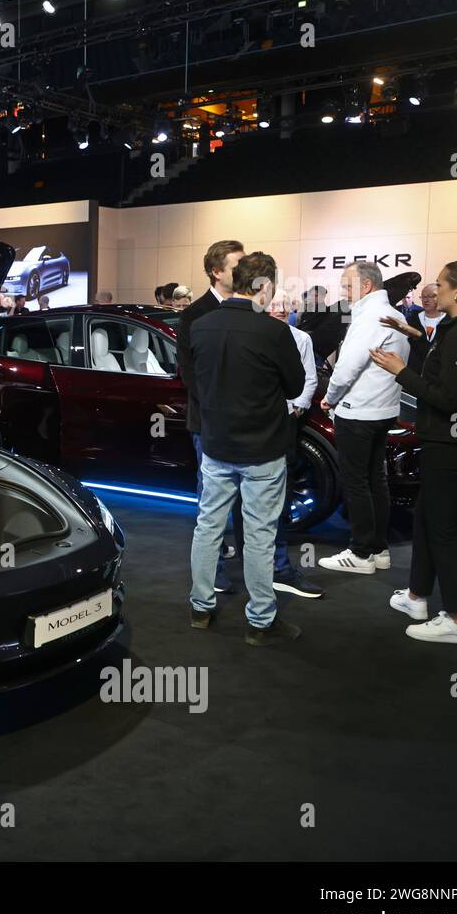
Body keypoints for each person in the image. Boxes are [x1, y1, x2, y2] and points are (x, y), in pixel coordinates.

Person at [371, 260, 457, 644]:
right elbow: (446, 367)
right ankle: (416, 597)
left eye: (441, 285)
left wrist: (400, 370)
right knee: (428, 519)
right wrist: (414, 336)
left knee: (442, 529)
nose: (434, 291)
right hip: (449, 437)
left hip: (451, 440)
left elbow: (447, 395)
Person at [188, 252, 306, 645]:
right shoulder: (274, 332)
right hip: (262, 449)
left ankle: (201, 607)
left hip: (216, 444)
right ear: (264, 286)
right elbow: (294, 387)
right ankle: (260, 621)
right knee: (258, 534)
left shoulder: (201, 325)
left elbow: (194, 381)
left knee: (208, 526)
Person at [317, 262, 407, 575]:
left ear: (365, 285)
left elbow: (348, 365)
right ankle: (378, 548)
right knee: (375, 480)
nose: (342, 289)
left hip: (359, 410)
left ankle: (360, 553)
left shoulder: (370, 316)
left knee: (356, 482)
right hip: (383, 409)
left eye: (346, 283)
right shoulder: (395, 314)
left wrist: (330, 397)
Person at [176, 238, 246, 593]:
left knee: (246, 503)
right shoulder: (194, 313)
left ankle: (254, 569)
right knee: (212, 502)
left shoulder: (248, 310)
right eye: (238, 265)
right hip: (209, 422)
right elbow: (189, 372)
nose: (245, 271)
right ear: (217, 272)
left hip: (245, 423)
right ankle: (212, 572)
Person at [267, 292, 324, 599]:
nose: (278, 310)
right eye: (273, 305)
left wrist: (297, 407)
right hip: (258, 421)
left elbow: (309, 378)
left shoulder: (301, 338)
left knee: (282, 484)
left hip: (286, 418)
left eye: (283, 306)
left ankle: (277, 563)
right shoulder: (256, 335)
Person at [391, 282, 445, 373]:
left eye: (431, 296)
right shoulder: (411, 320)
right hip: (413, 374)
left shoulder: (449, 321)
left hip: (438, 375)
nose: (426, 300)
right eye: (423, 297)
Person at [296, 285, 344, 365]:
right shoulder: (307, 310)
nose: (312, 298)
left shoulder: (325, 314)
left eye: (315, 296)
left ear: (323, 296)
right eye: (311, 295)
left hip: (314, 351)